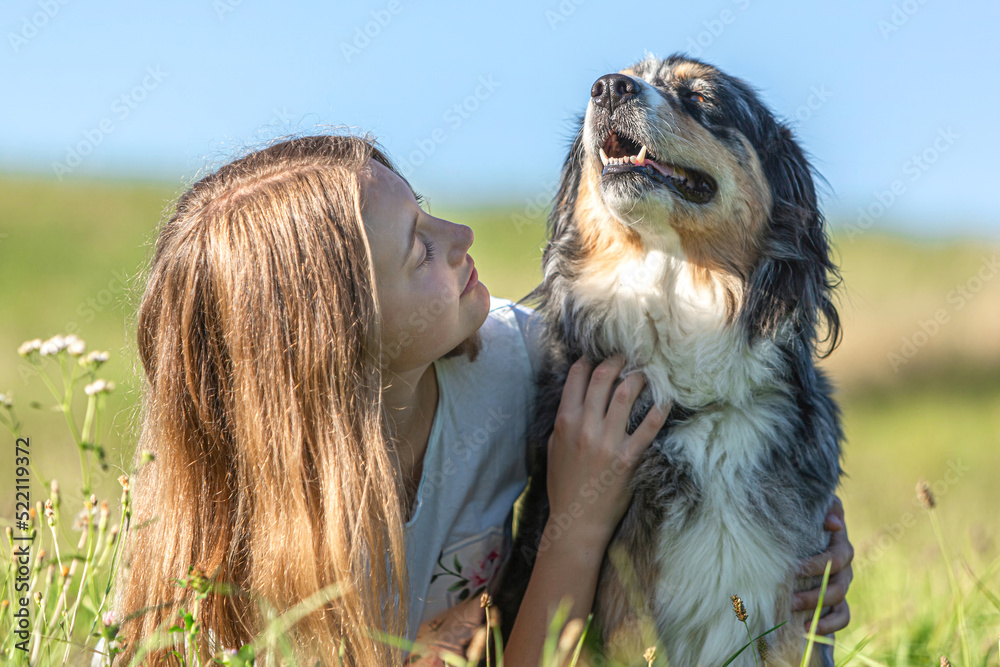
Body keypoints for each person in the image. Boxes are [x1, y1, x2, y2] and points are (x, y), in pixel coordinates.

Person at [113, 133, 853, 666]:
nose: (461, 235)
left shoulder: (513, 362)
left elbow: (713, 424)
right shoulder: (227, 561)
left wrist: (797, 556)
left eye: (428, 210)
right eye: (419, 249)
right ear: (337, 341)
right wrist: (576, 524)